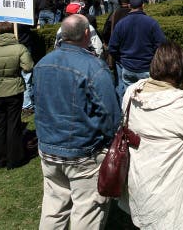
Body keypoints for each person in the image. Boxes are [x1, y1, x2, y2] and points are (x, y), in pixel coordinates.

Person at [34, 14, 121, 229]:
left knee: (54, 207)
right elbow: (111, 116)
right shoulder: (95, 68)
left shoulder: (43, 64)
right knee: (86, 210)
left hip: (51, 149)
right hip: (82, 153)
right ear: (86, 35)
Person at [123, 43, 183, 229]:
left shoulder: (132, 93)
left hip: (143, 184)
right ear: (182, 69)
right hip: (177, 194)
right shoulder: (182, 104)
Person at [0, 21, 34, 169]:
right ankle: (15, 158)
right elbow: (28, 66)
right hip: (13, 89)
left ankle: (1, 158)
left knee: (0, 124)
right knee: (13, 123)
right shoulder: (19, 48)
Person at [108, 0, 166, 100]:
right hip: (144, 67)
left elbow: (112, 47)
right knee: (146, 99)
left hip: (129, 67)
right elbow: (161, 45)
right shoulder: (151, 23)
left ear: (130, 6)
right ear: (143, 6)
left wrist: (121, 60)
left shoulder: (121, 24)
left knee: (128, 98)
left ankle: (127, 115)